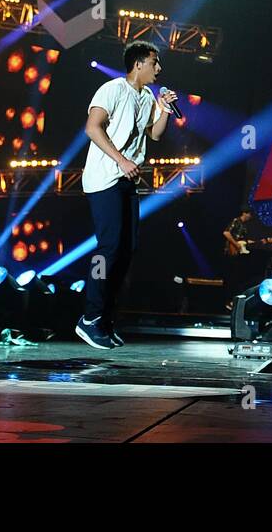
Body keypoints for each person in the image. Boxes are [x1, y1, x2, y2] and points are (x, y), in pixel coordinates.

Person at [76, 41, 177, 350]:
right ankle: (89, 319)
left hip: (126, 181)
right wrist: (121, 160)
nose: (158, 68)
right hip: (105, 178)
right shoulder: (112, 89)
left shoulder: (147, 96)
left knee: (127, 249)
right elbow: (93, 128)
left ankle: (105, 319)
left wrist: (165, 109)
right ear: (138, 64)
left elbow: (155, 134)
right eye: (154, 62)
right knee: (109, 247)